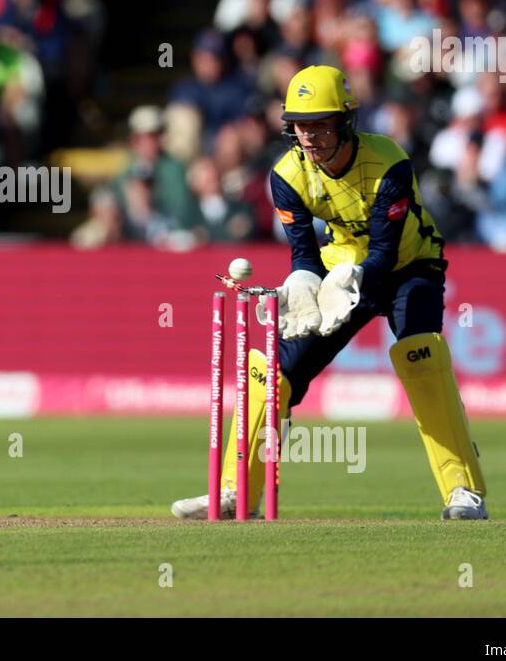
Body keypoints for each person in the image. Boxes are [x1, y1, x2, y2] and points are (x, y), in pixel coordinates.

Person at [172, 65, 488, 521]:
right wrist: (304, 282)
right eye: (301, 126)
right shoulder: (287, 175)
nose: (311, 137)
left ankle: (464, 491)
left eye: (321, 125)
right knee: (273, 369)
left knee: (422, 355)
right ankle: (236, 492)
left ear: (345, 122)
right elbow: (303, 252)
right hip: (339, 268)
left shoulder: (389, 163)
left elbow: (384, 249)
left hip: (409, 265)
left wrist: (352, 281)